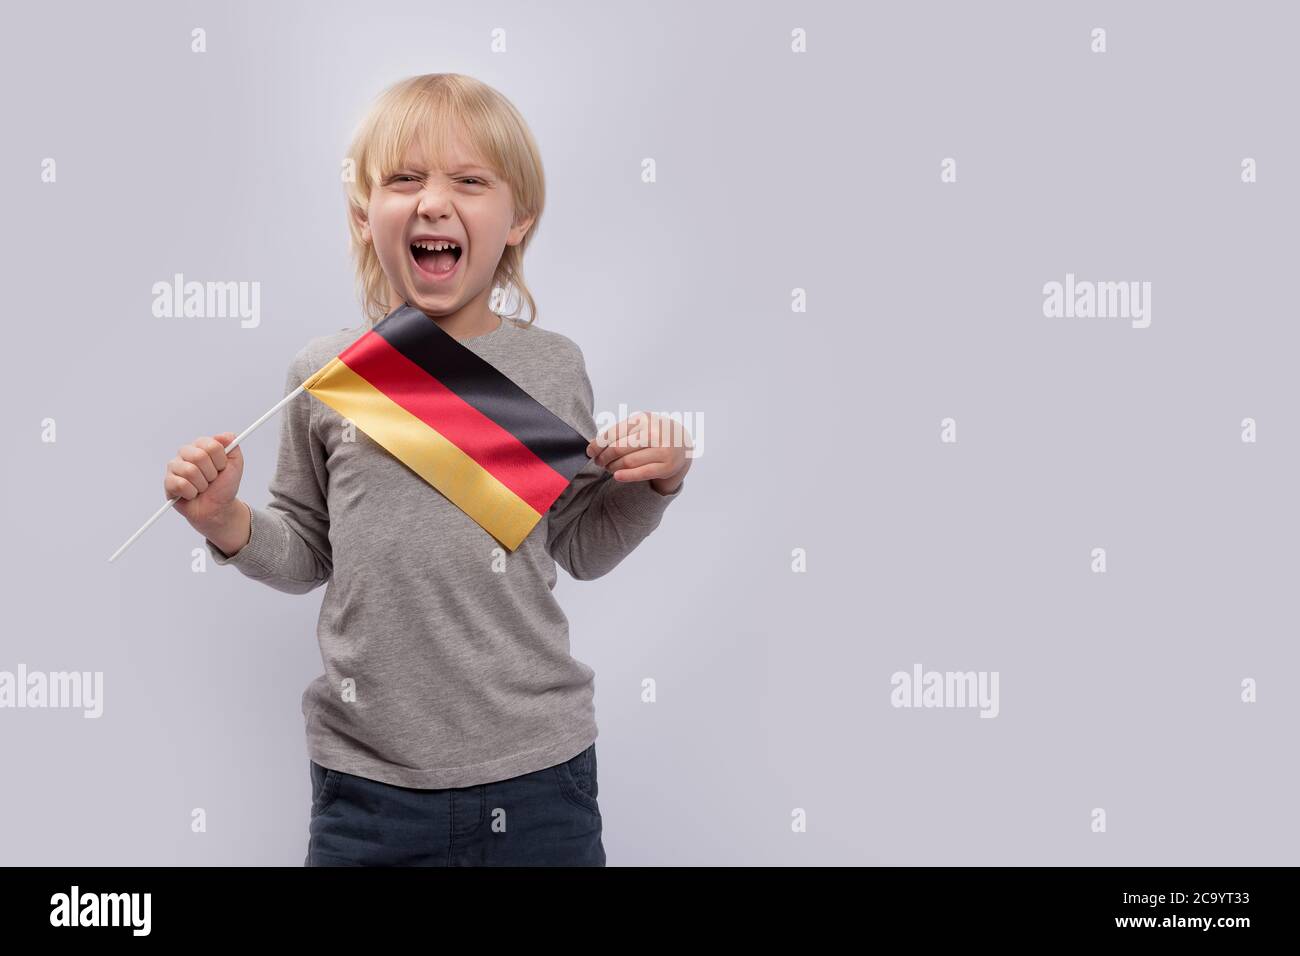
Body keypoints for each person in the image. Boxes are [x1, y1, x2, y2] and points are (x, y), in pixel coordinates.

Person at [161, 73, 692, 866]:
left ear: (518, 221)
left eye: (469, 181)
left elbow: (579, 544)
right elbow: (308, 548)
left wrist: (657, 483)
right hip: (366, 786)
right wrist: (226, 523)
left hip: (539, 776)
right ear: (361, 213)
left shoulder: (552, 366)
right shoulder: (327, 372)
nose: (433, 202)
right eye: (404, 179)